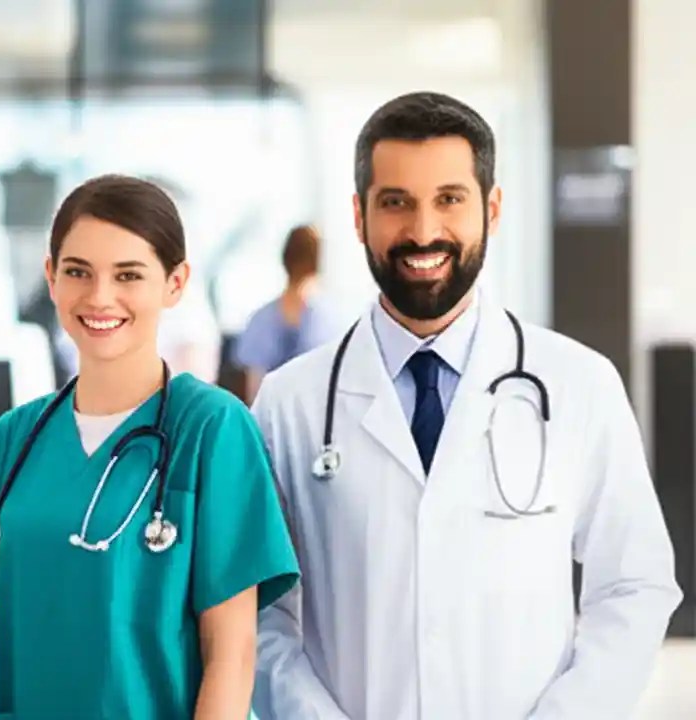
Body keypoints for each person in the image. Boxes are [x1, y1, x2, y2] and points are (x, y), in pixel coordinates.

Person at [251, 91, 681, 719]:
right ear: (358, 215)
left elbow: (634, 585)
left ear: (492, 208)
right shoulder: (290, 403)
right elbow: (261, 611)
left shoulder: (579, 384)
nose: (423, 232)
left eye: (449, 200)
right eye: (396, 203)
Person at [0, 174, 300, 719]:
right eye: (78, 272)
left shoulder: (212, 431)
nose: (99, 297)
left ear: (175, 283)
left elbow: (231, 655)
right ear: (51, 277)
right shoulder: (13, 440)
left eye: (128, 275)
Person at [234, 224, 344, 402]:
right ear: (319, 262)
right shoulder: (332, 320)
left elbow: (254, 391)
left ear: (284, 259)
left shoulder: (261, 320)